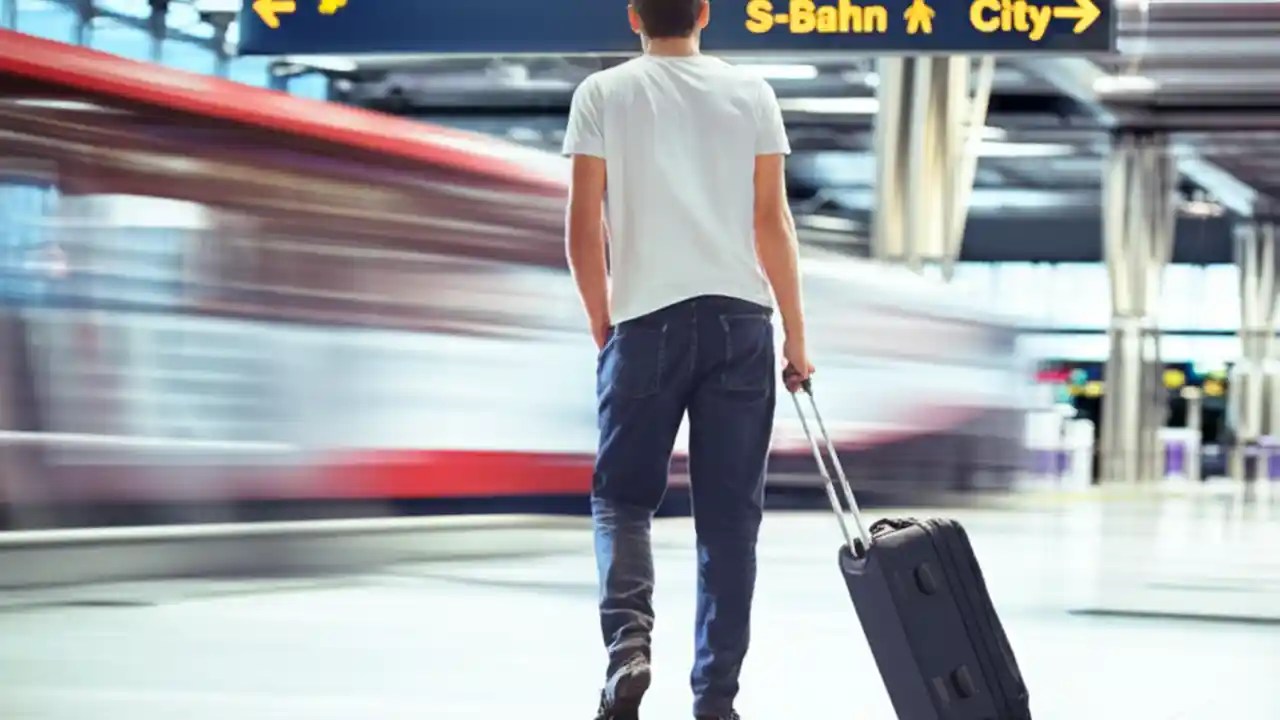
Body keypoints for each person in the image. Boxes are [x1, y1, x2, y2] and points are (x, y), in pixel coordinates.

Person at [561, 0, 813, 718]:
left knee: (622, 501)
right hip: (741, 323)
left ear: (633, 15)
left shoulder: (602, 93)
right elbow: (772, 223)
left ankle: (628, 651)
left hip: (646, 323)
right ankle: (717, 699)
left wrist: (601, 322)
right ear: (705, 12)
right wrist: (796, 334)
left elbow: (584, 224)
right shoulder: (752, 93)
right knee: (731, 521)